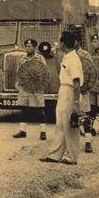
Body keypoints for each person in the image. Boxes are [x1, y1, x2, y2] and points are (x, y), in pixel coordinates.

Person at [40, 31, 83, 165]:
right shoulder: (66, 56)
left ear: (64, 43)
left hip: (70, 91)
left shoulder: (73, 59)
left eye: (60, 41)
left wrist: (76, 103)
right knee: (60, 123)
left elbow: (76, 81)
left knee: (70, 124)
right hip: (64, 90)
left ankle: (72, 157)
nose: (58, 44)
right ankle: (55, 155)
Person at [13, 39, 49, 141]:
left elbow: (44, 72)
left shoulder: (40, 58)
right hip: (25, 87)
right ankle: (22, 131)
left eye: (29, 46)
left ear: (34, 47)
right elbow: (19, 71)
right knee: (23, 108)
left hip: (36, 87)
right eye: (26, 46)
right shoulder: (22, 59)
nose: (27, 48)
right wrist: (18, 84)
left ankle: (43, 131)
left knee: (39, 109)